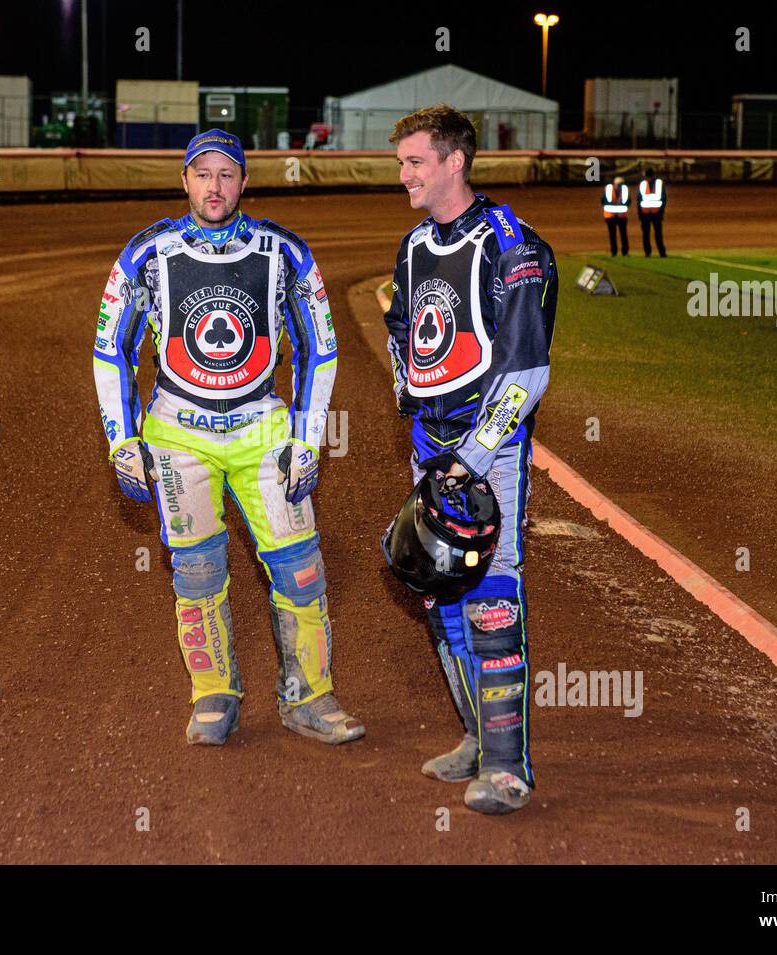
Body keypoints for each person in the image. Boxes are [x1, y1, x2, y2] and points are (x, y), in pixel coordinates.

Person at [93, 129, 364, 747]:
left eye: (226, 174)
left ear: (244, 181)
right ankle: (213, 694)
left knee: (300, 571)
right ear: (184, 180)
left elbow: (321, 349)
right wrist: (121, 440)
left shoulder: (285, 251)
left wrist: (309, 437)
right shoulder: (145, 253)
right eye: (202, 173)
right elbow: (110, 350)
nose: (214, 186)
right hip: (176, 435)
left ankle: (310, 697)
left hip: (263, 428)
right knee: (196, 570)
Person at [384, 104, 557, 815]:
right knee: (438, 585)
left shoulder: (512, 246)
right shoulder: (415, 243)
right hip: (432, 443)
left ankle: (508, 767)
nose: (405, 176)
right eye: (401, 164)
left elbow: (525, 373)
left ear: (455, 161)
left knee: (490, 591)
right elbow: (402, 332)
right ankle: (478, 736)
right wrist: (411, 407)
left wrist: (474, 456)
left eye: (415, 162)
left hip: (488, 451)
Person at [637, 166, 667, 257]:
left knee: (653, 234)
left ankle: (652, 252)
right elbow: (664, 199)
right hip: (650, 213)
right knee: (653, 234)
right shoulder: (657, 183)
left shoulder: (650, 183)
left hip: (652, 213)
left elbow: (639, 200)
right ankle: (658, 252)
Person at [601, 174, 630, 256]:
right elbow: (628, 202)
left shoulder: (622, 190)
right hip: (613, 217)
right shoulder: (611, 189)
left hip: (618, 216)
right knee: (614, 235)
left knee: (622, 235)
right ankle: (615, 252)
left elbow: (603, 201)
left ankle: (623, 252)